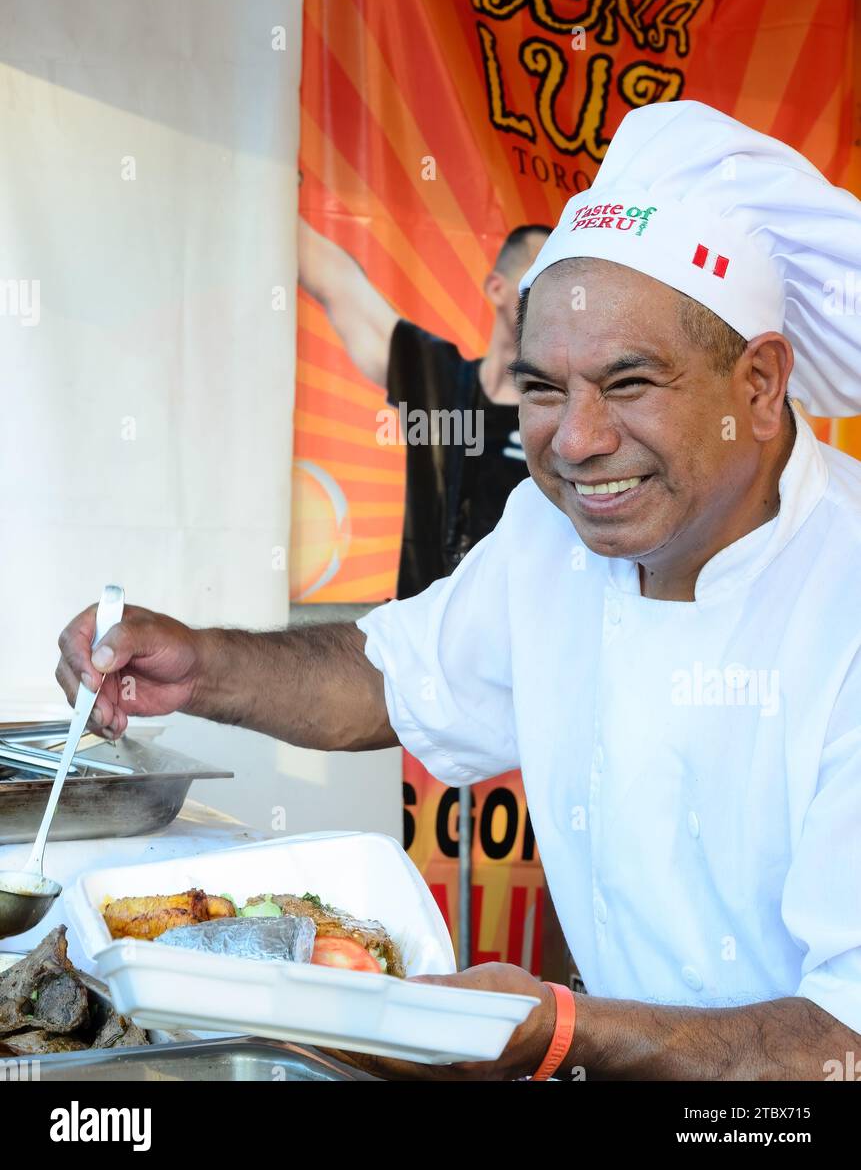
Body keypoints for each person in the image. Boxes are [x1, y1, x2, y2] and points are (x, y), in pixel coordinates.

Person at [57, 101, 861, 1080]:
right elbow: (390, 678)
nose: (574, 441)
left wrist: (562, 1032)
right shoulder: (551, 533)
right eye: (543, 388)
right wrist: (203, 664)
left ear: (761, 384)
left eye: (630, 381)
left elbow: (842, 1043)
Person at [298, 219, 549, 594]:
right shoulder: (439, 384)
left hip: (525, 642)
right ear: (497, 288)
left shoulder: (565, 416)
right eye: (538, 274)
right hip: (425, 644)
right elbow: (340, 282)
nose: (553, 292)